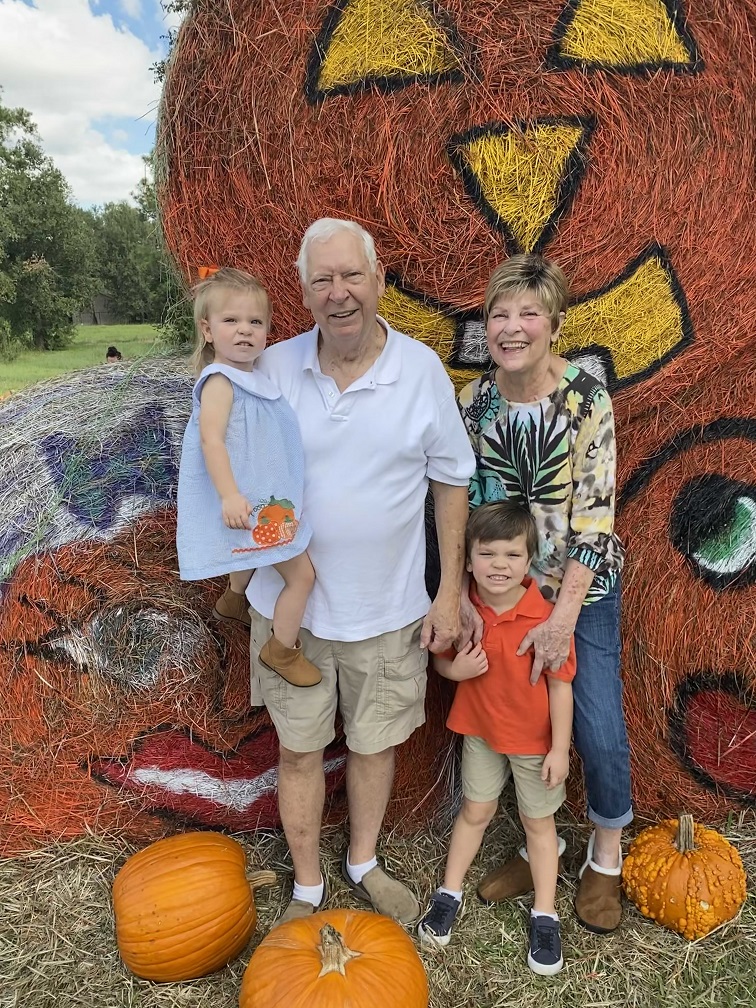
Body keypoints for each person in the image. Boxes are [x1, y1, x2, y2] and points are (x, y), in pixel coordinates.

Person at [246, 218, 475, 926]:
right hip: (292, 614)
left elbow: (452, 480)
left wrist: (448, 591)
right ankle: (308, 885)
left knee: (375, 747)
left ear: (379, 281)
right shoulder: (274, 368)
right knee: (299, 749)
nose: (339, 293)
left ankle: (364, 860)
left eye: (352, 276)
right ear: (304, 290)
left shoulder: (421, 370)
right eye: (323, 280)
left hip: (390, 609)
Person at [456, 254, 632, 934]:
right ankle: (543, 845)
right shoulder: (475, 403)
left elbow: (595, 518)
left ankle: (606, 859)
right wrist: (466, 595)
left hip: (579, 595)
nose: (512, 327)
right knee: (509, 723)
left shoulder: (587, 399)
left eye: (527, 313)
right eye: (499, 314)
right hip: (502, 593)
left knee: (596, 726)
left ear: (553, 324)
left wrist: (559, 619)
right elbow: (467, 500)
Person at [418, 501, 575, 975]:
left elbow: (561, 685)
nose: (499, 566)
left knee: (538, 824)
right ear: (468, 560)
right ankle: (449, 892)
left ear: (529, 562)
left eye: (511, 555)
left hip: (534, 743)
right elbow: (443, 661)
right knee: (475, 810)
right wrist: (454, 669)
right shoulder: (465, 610)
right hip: (482, 735)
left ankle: (545, 914)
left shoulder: (544, 617)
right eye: (488, 554)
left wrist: (560, 748)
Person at [176, 267, 320, 688]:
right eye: (231, 321)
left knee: (248, 552)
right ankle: (282, 648)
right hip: (250, 500)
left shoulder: (253, 378)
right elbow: (211, 441)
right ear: (207, 330)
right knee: (302, 576)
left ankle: (233, 599)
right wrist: (229, 494)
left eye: (255, 322)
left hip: (260, 496)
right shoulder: (220, 381)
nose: (244, 331)